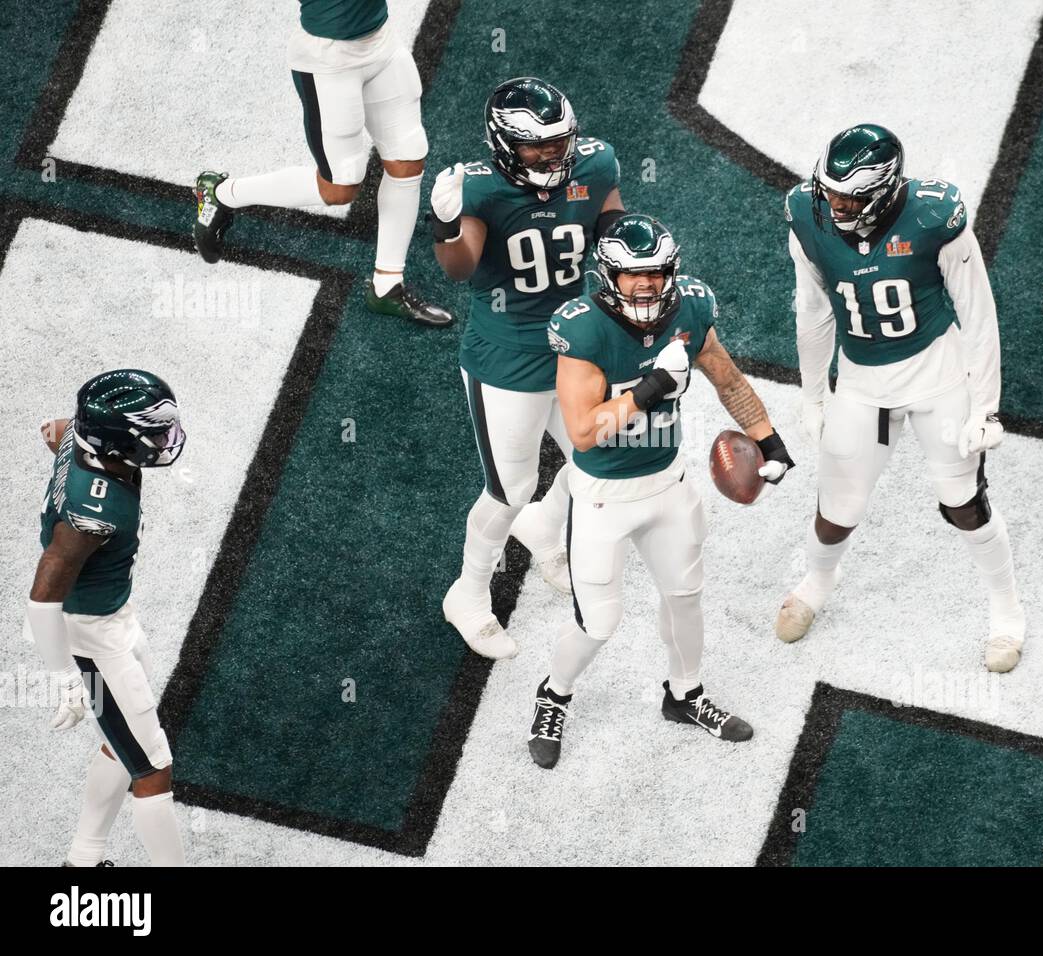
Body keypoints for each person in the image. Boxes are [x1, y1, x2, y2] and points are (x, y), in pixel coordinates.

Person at [527, 214, 795, 769]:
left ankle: (685, 695)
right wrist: (652, 389)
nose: (645, 285)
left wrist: (768, 441)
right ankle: (554, 694)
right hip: (602, 496)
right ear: (608, 276)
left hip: (669, 486)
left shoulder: (691, 308)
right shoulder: (583, 329)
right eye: (632, 275)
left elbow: (726, 377)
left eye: (654, 272)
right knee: (598, 621)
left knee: (685, 597)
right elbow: (581, 431)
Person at [778, 123, 1025, 672]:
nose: (836, 204)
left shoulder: (935, 217)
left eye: (850, 196)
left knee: (961, 501)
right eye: (831, 191)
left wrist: (986, 406)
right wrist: (813, 395)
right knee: (837, 509)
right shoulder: (807, 213)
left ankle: (1007, 611)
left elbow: (978, 314)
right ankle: (818, 581)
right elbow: (813, 311)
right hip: (863, 382)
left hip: (937, 374)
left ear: (885, 190)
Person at [430, 77, 624, 659]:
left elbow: (611, 227)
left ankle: (544, 527)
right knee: (510, 487)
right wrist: (445, 225)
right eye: (540, 145)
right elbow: (460, 269)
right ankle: (466, 593)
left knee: (604, 459)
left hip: (574, 343)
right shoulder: (483, 190)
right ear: (505, 144)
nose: (555, 153)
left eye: (562, 140)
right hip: (507, 356)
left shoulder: (595, 164)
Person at [192, 0, 451, 327]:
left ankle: (387, 285)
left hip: (381, 44)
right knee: (338, 188)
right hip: (329, 61)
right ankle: (222, 193)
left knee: (408, 159)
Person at [28, 370, 188, 866]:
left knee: (125, 745)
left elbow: (53, 430)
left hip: (111, 617)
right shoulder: (89, 517)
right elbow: (42, 594)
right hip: (93, 638)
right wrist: (65, 679)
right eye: (152, 431)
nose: (164, 439)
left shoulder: (81, 438)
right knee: (153, 769)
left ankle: (83, 859)